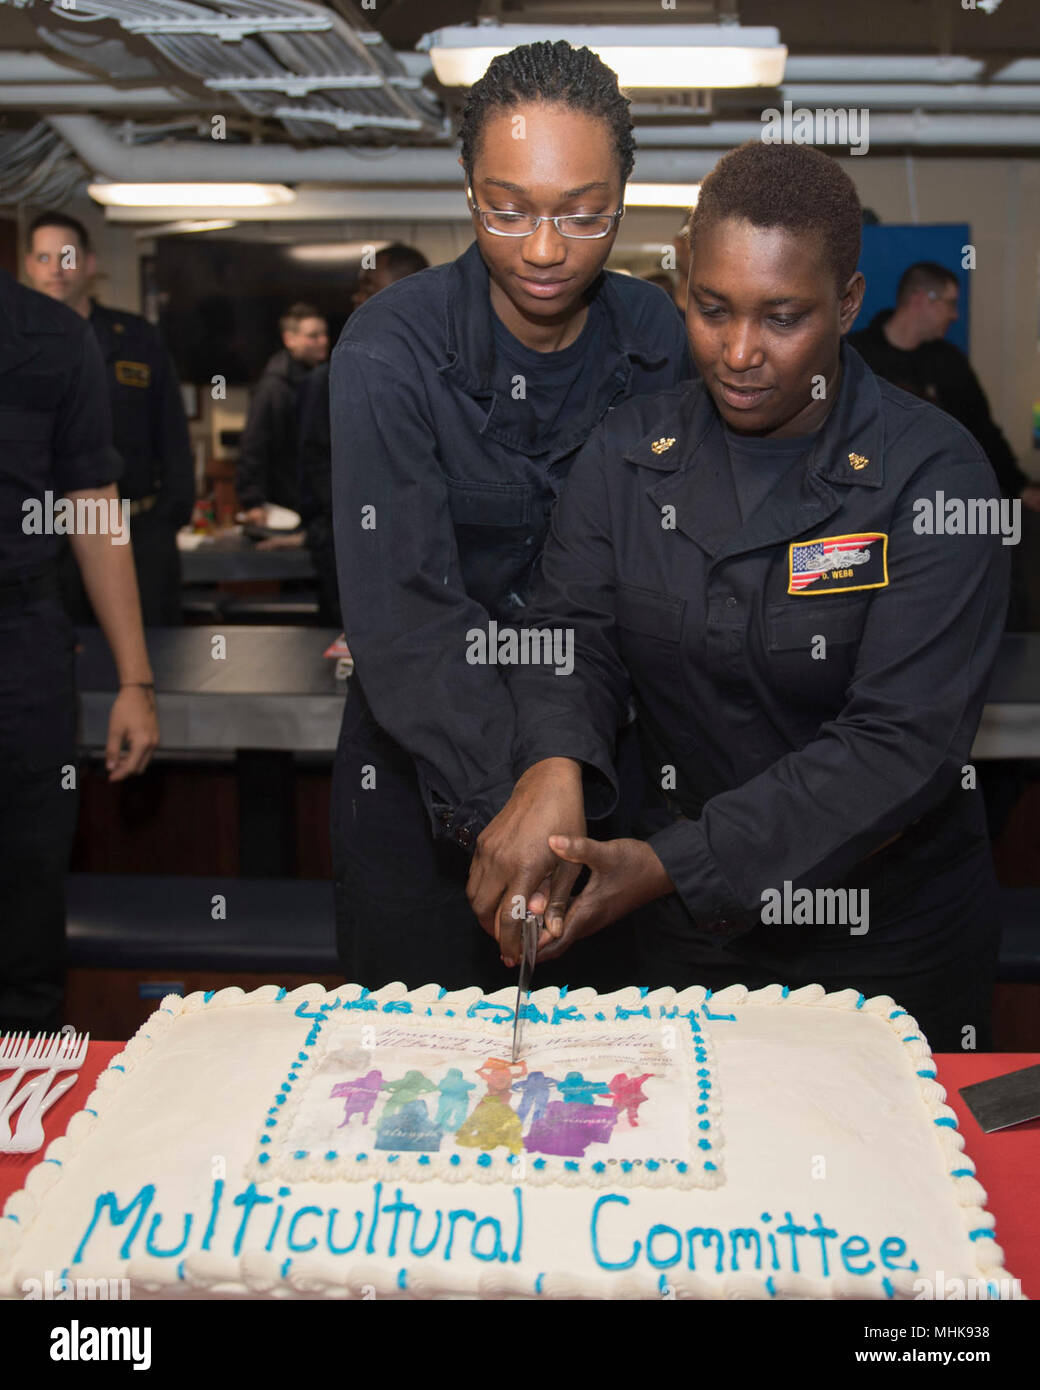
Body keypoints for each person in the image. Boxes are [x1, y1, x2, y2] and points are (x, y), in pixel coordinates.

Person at [467, 142, 1010, 1052]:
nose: (740, 352)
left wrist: (671, 865)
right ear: (682, 283)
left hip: (885, 938)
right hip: (694, 935)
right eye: (712, 310)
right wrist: (553, 766)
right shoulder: (630, 450)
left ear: (846, 303)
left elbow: (901, 744)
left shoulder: (932, 472)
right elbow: (573, 637)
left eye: (783, 317)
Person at [329, 41, 691, 995]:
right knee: (406, 1102)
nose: (543, 248)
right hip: (424, 777)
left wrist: (567, 776)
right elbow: (407, 615)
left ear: (625, 193)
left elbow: (650, 580)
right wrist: (529, 802)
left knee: (599, 1100)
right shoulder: (387, 348)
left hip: (601, 783)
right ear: (464, 187)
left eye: (584, 213)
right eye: (509, 207)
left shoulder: (658, 339)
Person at [0, 266, 158, 1031]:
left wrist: (135, 680)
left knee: (26, 908)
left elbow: (92, 506)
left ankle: (19, 1133)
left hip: (21, 644)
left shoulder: (55, 336)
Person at [24, 212, 195, 625]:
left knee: (155, 665)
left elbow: (173, 435)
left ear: (90, 264)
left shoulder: (137, 339)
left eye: (66, 256)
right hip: (47, 542)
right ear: (29, 266)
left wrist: (165, 519)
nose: (56, 270)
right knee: (58, 674)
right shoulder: (15, 348)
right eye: (43, 258)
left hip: (138, 535)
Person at [288, 246, 431, 626]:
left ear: (408, 291)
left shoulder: (445, 374)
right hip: (350, 551)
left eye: (367, 288)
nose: (357, 298)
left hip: (427, 554)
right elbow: (314, 466)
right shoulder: (329, 378)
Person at [849, 262, 1040, 511]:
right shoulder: (854, 356)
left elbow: (981, 430)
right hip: (868, 501)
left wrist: (1019, 486)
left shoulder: (950, 362)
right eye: (950, 303)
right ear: (921, 299)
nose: (954, 315)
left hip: (939, 502)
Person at [236, 302, 329, 523]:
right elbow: (253, 445)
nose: (323, 341)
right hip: (288, 506)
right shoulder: (275, 387)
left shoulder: (320, 379)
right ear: (290, 339)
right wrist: (252, 501)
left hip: (316, 503)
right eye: (313, 336)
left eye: (324, 334)